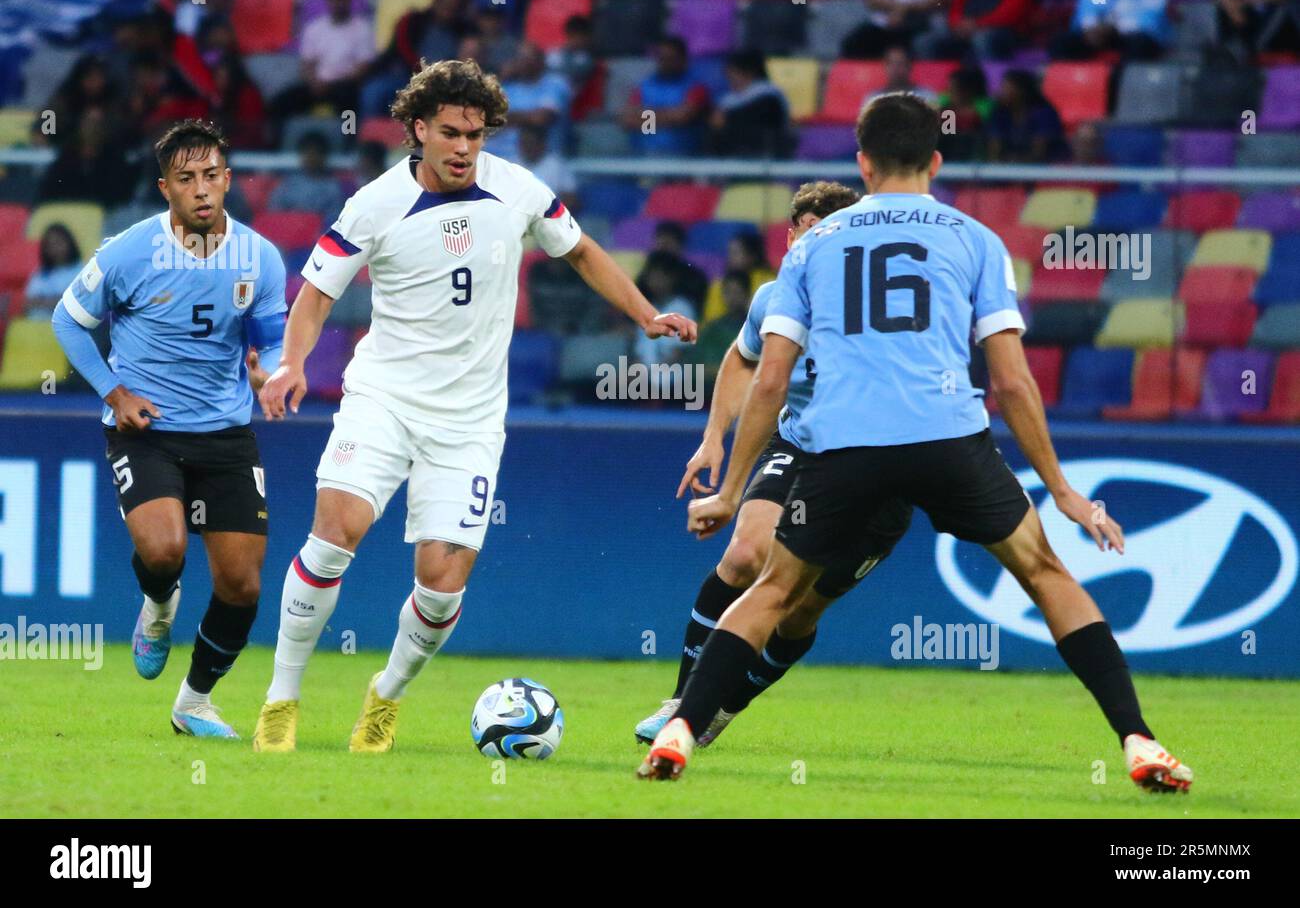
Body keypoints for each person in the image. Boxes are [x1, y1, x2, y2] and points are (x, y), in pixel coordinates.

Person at [638, 95, 1193, 797]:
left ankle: (681, 727)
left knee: (775, 588)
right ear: (936, 160)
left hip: (843, 447)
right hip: (949, 440)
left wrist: (731, 487)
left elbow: (770, 378)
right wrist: (1063, 491)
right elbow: (1014, 383)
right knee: (1046, 572)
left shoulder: (812, 247)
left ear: (862, 163)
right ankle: (1139, 740)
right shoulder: (976, 240)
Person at [251, 59, 697, 753]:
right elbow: (315, 296)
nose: (464, 147)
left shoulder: (517, 189)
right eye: (452, 133)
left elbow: (579, 252)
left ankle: (385, 698)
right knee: (335, 534)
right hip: (384, 397)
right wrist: (292, 364)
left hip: (469, 419)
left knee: (441, 581)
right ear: (418, 129)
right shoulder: (373, 204)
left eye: (477, 134)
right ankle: (282, 698)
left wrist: (644, 314)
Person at [636, 181, 914, 747]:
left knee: (796, 613)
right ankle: (685, 706)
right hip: (800, 444)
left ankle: (721, 708)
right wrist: (714, 439)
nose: (805, 248)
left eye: (822, 236)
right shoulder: (773, 299)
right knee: (742, 557)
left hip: (881, 472)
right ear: (789, 237)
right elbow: (745, 363)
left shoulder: (886, 307)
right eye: (799, 235)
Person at [49, 119, 287, 739]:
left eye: (212, 176)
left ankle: (194, 703)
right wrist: (113, 391)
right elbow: (68, 320)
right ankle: (158, 605)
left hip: (226, 434)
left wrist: (267, 376)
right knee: (164, 550)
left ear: (229, 180)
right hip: (146, 428)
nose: (202, 189)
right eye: (187, 179)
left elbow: (268, 346)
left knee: (241, 586)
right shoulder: (130, 251)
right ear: (165, 188)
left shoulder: (260, 257)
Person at [274, 0, 375, 120]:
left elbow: (363, 68)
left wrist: (333, 83)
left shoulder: (362, 28)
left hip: (345, 85)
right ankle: (280, 141)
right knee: (281, 102)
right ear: (327, 0)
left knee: (349, 102)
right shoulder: (314, 28)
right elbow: (307, 64)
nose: (338, 2)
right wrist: (314, 83)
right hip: (317, 85)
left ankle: (350, 138)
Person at [619, 36, 711, 157]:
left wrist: (644, 117)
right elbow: (627, 120)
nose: (665, 63)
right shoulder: (644, 86)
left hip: (681, 160)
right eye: (662, 58)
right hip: (643, 158)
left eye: (671, 58)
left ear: (683, 59)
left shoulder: (696, 87)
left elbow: (682, 117)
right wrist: (668, 117)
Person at [493, 41, 571, 162]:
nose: (524, 63)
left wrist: (506, 118)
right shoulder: (508, 88)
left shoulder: (555, 83)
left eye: (528, 58)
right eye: (520, 58)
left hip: (544, 159)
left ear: (541, 61)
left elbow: (542, 119)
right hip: (504, 157)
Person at [709, 50, 790, 158]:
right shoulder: (729, 99)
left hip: (764, 157)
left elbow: (759, 121)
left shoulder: (769, 95)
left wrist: (727, 118)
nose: (729, 78)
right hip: (731, 157)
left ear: (749, 72)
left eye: (733, 73)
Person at [985, 69, 1068, 163]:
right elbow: (994, 149)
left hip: (1045, 168)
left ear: (1022, 91)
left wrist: (1016, 165)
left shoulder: (1044, 113)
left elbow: (1039, 152)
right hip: (1008, 167)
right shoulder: (999, 112)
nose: (1001, 92)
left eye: (1006, 88)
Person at [268, 130, 346, 221]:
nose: (312, 158)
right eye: (308, 153)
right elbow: (274, 211)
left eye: (316, 154)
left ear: (323, 157)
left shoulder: (332, 188)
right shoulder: (288, 183)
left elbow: (334, 219)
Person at [24, 223, 81, 318]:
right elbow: (28, 302)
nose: (55, 248)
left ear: (70, 243)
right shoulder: (40, 274)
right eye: (50, 245)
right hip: (35, 327)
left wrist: (43, 302)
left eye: (59, 243)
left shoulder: (81, 271)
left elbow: (77, 303)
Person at [865, 45, 939, 105]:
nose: (896, 68)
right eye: (891, 63)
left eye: (900, 63)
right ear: (884, 66)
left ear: (909, 66)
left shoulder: (927, 96)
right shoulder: (873, 99)